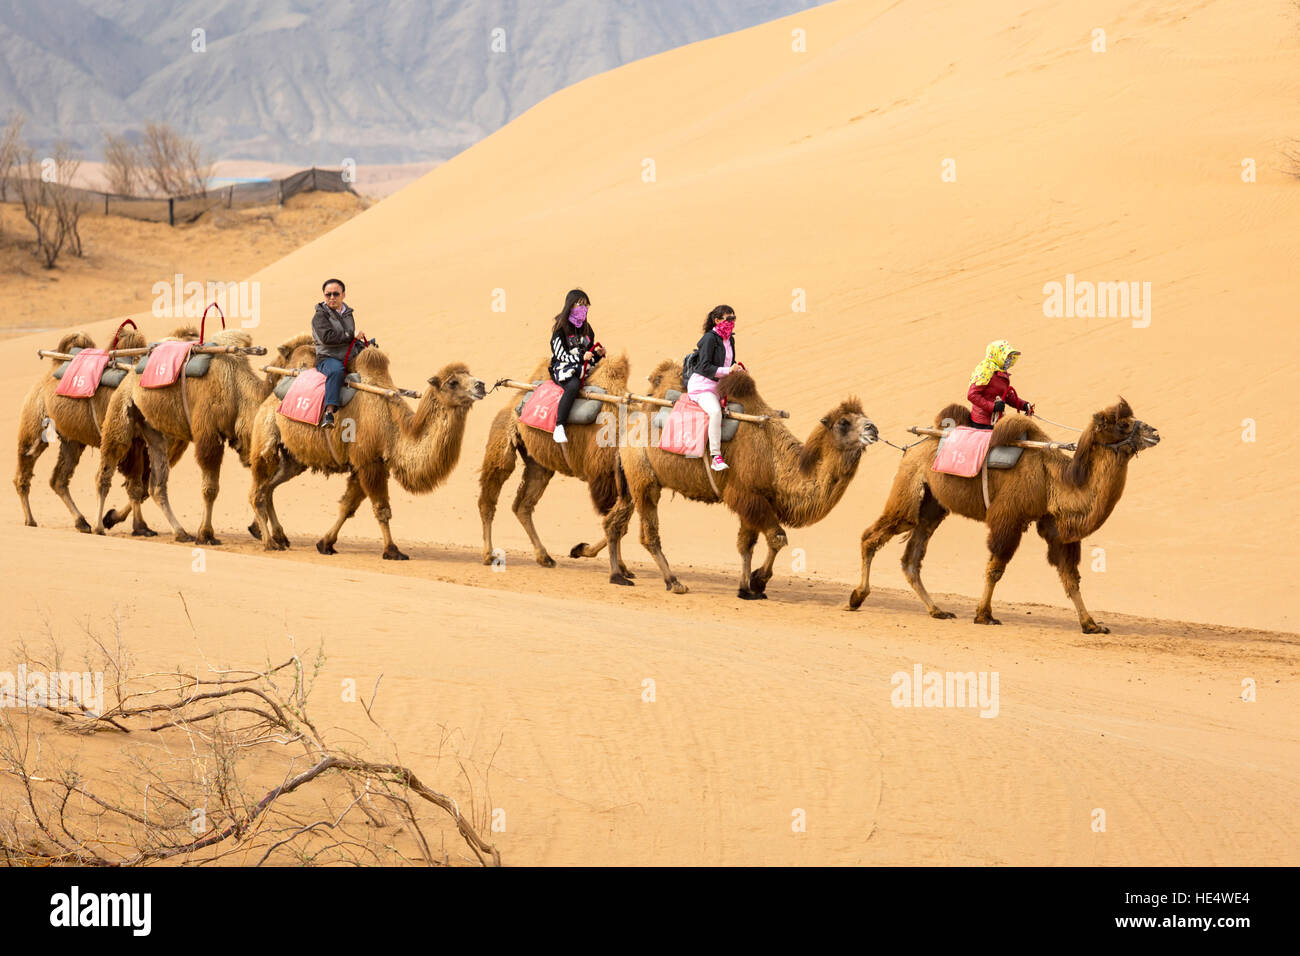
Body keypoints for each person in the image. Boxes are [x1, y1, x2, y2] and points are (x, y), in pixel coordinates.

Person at [686, 305, 739, 471]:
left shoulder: (730, 339)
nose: (731, 322)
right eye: (728, 319)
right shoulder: (710, 339)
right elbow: (704, 367)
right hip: (702, 386)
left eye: (733, 318)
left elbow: (730, 364)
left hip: (719, 386)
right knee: (715, 412)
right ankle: (716, 456)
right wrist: (727, 371)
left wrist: (737, 370)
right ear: (717, 320)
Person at [548, 289, 604, 443]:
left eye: (586, 305)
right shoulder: (560, 328)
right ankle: (559, 426)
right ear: (570, 305)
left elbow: (589, 353)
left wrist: (597, 354)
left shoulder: (587, 328)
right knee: (573, 385)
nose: (583, 308)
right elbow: (560, 354)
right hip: (562, 367)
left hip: (582, 367)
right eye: (580, 304)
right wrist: (580, 356)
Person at [312, 278, 356, 428]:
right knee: (336, 371)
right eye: (328, 294)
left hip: (347, 355)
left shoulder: (348, 313)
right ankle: (329, 412)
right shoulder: (320, 316)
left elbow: (348, 336)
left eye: (335, 294)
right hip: (327, 357)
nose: (332, 298)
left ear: (343, 295)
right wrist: (351, 336)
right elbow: (327, 338)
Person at [967, 339, 1034, 430]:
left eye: (1010, 357)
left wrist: (1024, 405)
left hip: (997, 420)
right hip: (983, 422)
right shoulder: (985, 371)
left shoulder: (1002, 372)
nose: (1009, 360)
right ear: (998, 355)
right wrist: (993, 407)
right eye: (1007, 357)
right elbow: (972, 395)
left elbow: (1007, 396)